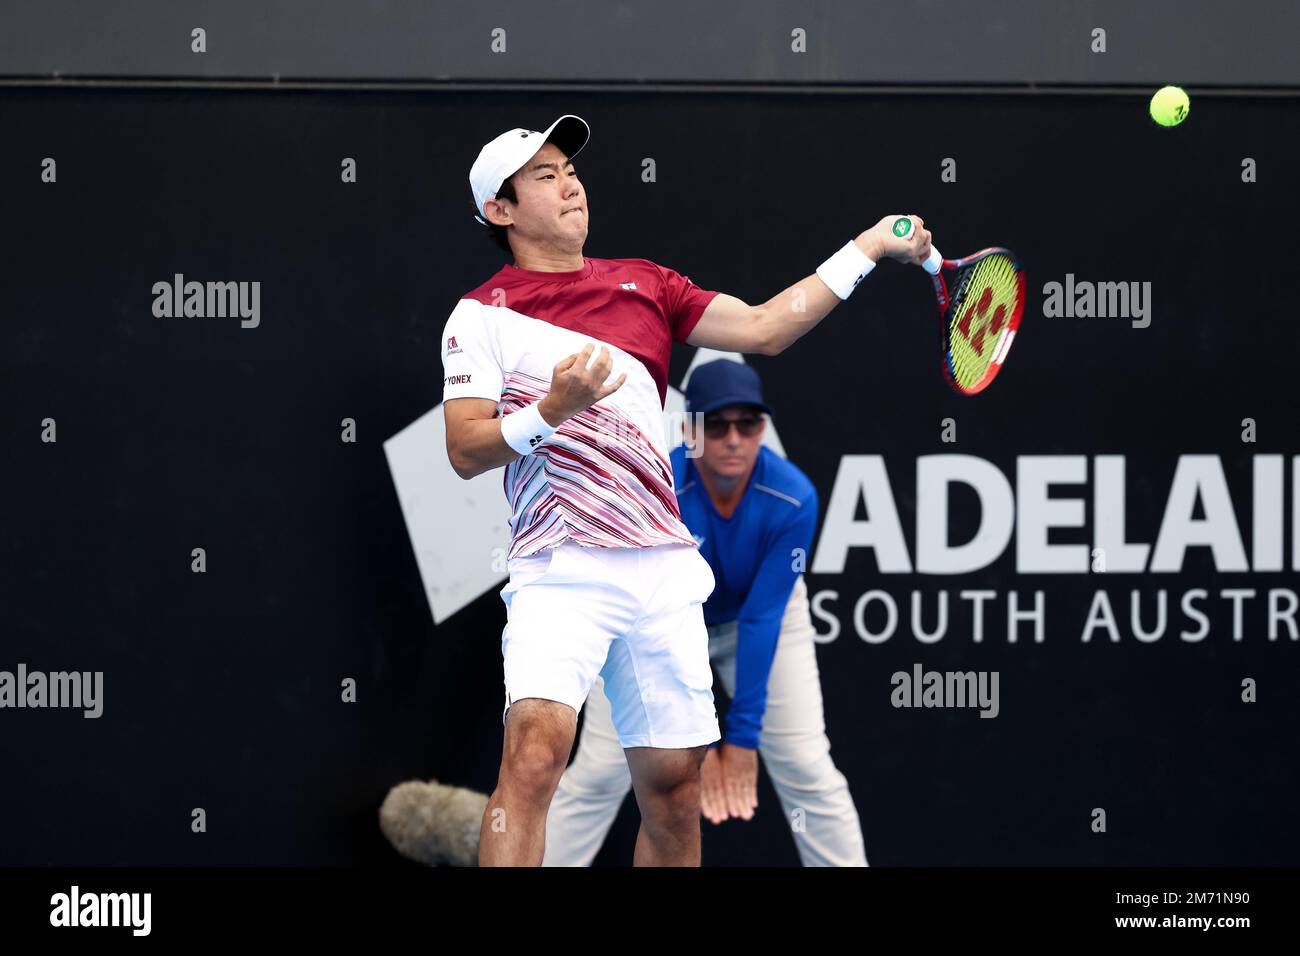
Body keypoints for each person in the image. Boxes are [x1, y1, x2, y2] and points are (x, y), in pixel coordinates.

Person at [441, 113, 931, 866]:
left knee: (673, 787)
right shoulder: (479, 316)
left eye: (570, 170)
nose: (570, 182)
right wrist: (550, 413)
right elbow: (466, 451)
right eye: (545, 175)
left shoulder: (648, 284)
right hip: (560, 564)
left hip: (663, 569)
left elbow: (769, 326)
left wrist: (867, 247)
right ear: (500, 212)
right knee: (535, 757)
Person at [542, 359, 868, 866]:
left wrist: (740, 740)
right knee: (602, 769)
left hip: (755, 619)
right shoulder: (655, 484)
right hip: (654, 618)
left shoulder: (794, 498)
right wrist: (700, 746)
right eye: (716, 424)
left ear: (764, 428)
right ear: (690, 431)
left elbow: (763, 619)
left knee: (808, 766)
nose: (733, 438)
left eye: (749, 424)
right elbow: (658, 616)